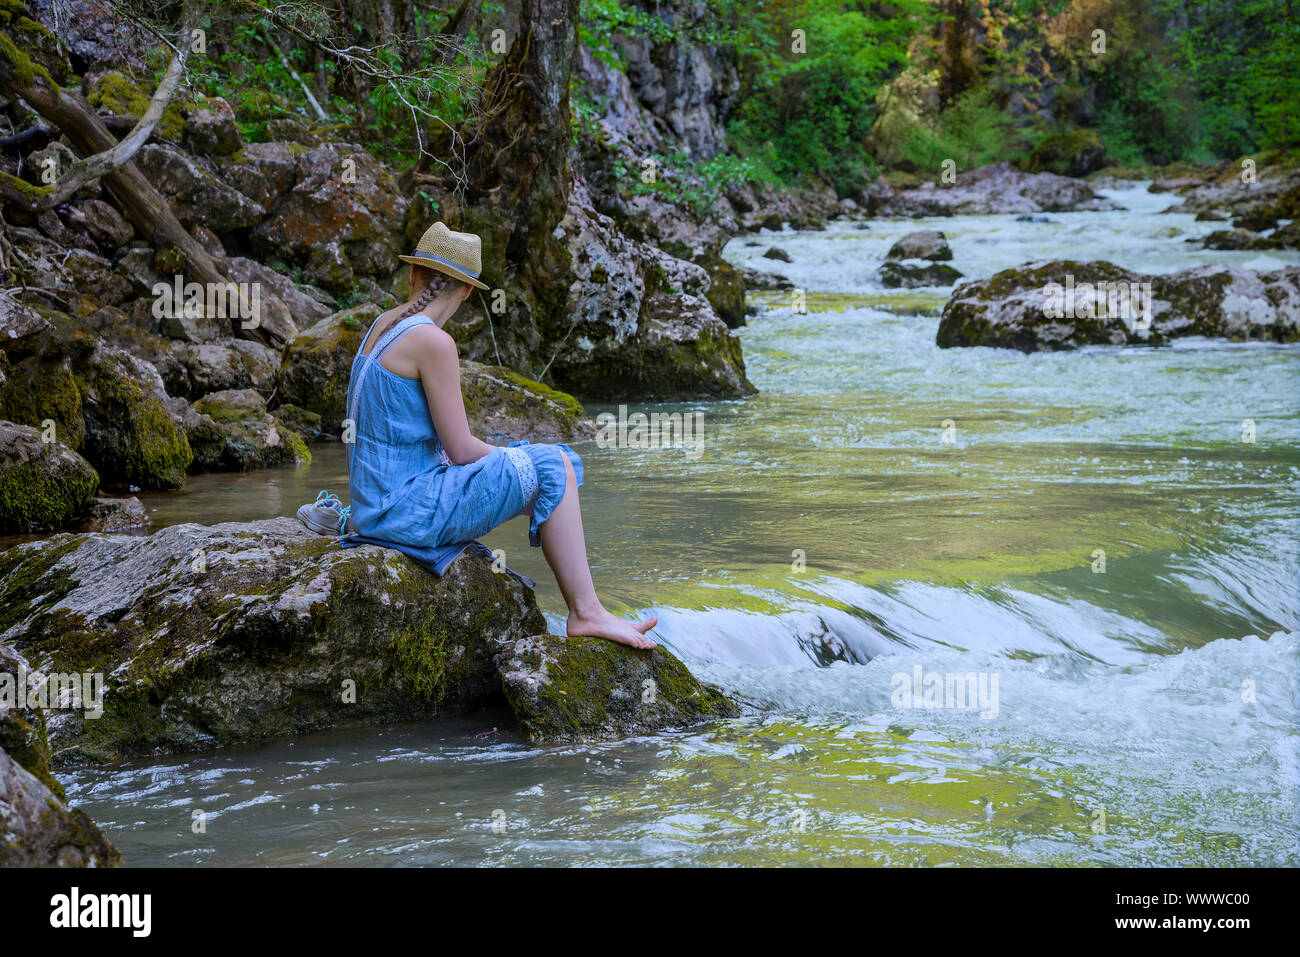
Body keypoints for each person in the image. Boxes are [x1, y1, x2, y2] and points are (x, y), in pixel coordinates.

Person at [343, 222, 657, 649]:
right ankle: (585, 612)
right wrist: (518, 457)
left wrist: (513, 466)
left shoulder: (382, 324)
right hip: (404, 512)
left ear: (413, 274)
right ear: (468, 291)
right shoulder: (434, 343)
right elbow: (460, 449)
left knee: (543, 470)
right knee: (554, 464)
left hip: (372, 506)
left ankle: (588, 608)